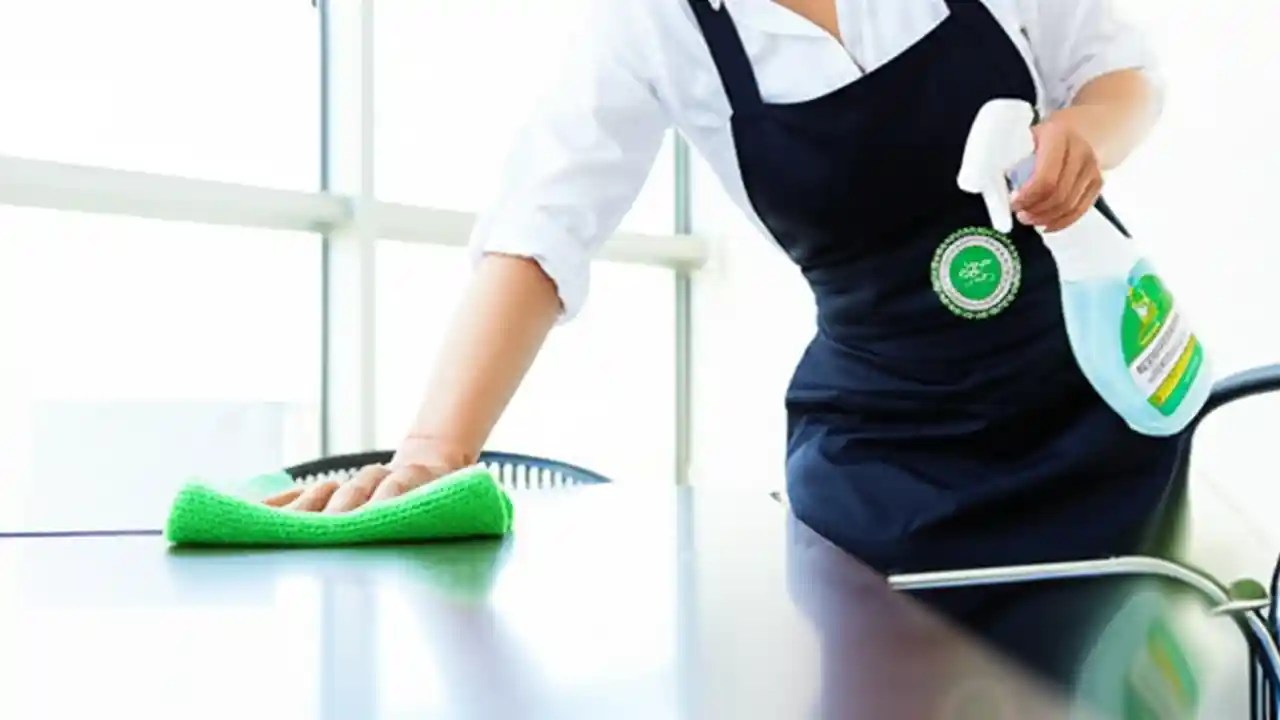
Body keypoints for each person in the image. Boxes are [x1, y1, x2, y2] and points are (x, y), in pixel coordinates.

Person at [265, 0, 1180, 667]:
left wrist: (1083, 134)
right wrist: (431, 451)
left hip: (1099, 400)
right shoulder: (655, 25)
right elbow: (542, 229)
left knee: (1139, 678)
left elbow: (1121, 71)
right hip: (892, 462)